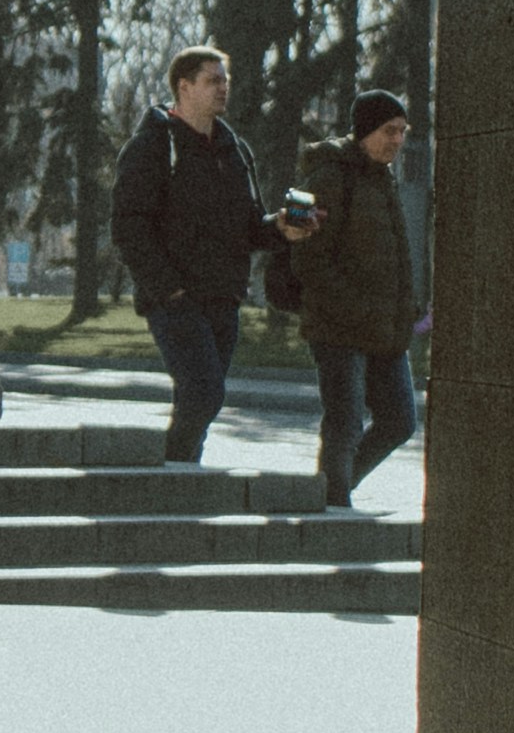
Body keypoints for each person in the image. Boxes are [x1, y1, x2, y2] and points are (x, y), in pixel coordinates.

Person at [107, 45, 276, 467]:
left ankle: (179, 476)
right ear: (184, 87)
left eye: (225, 80)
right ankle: (170, 474)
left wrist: (284, 229)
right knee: (205, 392)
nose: (223, 89)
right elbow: (129, 227)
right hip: (175, 300)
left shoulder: (235, 150)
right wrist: (169, 290)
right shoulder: (152, 146)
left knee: (199, 401)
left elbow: (252, 227)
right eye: (212, 81)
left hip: (224, 296)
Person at [284, 88, 421, 510]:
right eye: (388, 131)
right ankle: (331, 507)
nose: (397, 140)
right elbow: (306, 258)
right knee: (345, 424)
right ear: (364, 131)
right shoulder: (326, 177)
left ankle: (328, 494)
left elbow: (395, 256)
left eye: (402, 131)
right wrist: (354, 308)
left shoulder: (383, 180)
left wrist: (406, 310)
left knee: (399, 420)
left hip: (384, 327)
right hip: (338, 326)